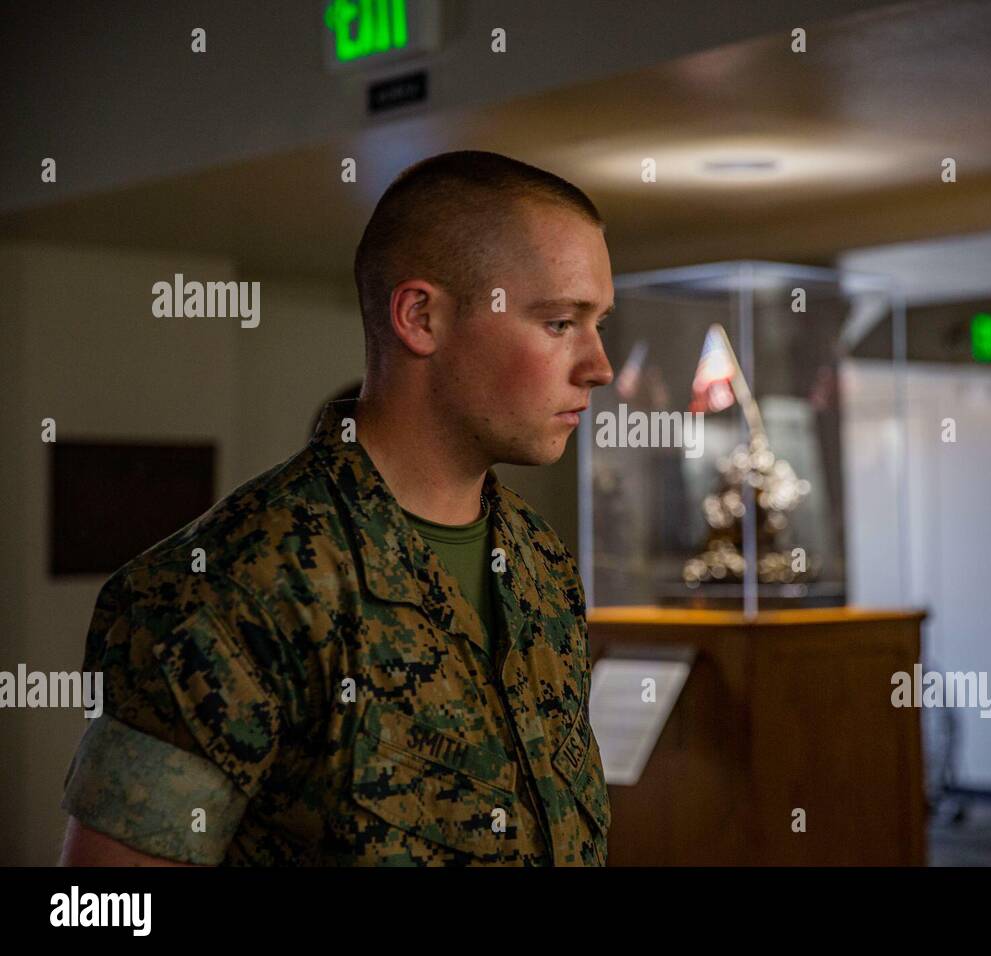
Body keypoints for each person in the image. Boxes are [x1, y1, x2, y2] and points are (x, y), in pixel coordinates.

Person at [58, 150, 616, 866]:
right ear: (420, 317)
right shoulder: (233, 587)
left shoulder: (540, 564)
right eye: (562, 322)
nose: (598, 366)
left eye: (598, 321)